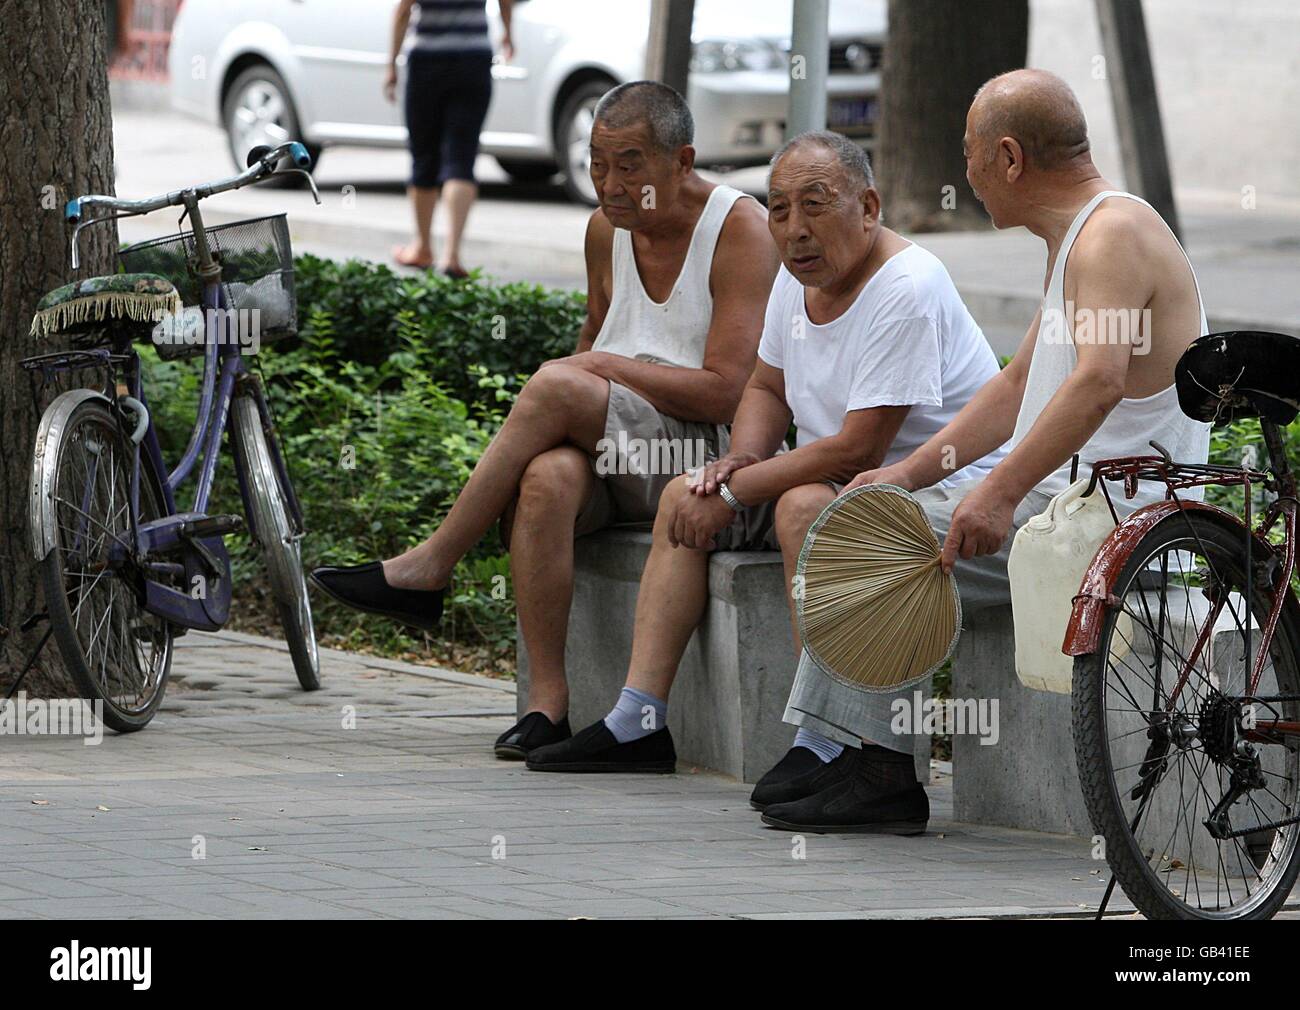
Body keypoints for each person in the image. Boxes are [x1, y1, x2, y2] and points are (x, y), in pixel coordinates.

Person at [757, 69, 1211, 835]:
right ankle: (860, 754)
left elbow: (1096, 384)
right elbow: (1018, 387)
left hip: (1115, 520)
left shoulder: (1113, 236)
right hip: (1069, 506)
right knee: (872, 515)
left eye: (968, 155)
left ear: (1007, 157)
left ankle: (875, 768)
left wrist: (997, 493)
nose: (962, 174)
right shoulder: (1077, 237)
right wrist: (903, 473)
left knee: (878, 553)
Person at [312, 82, 778, 761]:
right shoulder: (605, 231)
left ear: (682, 161)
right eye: (596, 162)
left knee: (563, 381)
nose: (609, 184)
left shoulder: (739, 228)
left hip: (706, 461)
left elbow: (729, 392)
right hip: (622, 454)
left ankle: (432, 565)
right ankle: (547, 707)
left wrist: (600, 370)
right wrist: (595, 370)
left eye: (628, 163)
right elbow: (594, 345)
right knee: (547, 479)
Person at [524, 131, 1006, 776]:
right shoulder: (796, 277)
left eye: (815, 205)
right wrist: (738, 463)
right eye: (779, 209)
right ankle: (637, 722)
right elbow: (767, 385)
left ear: (868, 206)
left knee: (802, 507)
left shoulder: (906, 284)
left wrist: (739, 491)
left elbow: (859, 447)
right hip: (843, 480)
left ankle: (825, 739)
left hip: (920, 492)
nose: (795, 229)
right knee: (684, 493)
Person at [384, 0, 514, 277]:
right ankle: (452, 255)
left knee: (424, 155)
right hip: (474, 61)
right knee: (462, 157)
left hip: (426, 62)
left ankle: (422, 247)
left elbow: (403, 10)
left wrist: (391, 66)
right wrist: (508, 33)